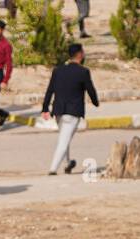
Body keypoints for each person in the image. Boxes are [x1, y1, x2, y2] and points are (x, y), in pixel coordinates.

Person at [42, 43, 98, 175]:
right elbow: (91, 90)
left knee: (64, 137)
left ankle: (68, 163)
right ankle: (53, 169)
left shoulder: (58, 70)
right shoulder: (83, 72)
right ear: (79, 54)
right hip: (73, 112)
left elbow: (50, 90)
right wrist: (95, 102)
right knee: (63, 140)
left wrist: (45, 107)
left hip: (58, 111)